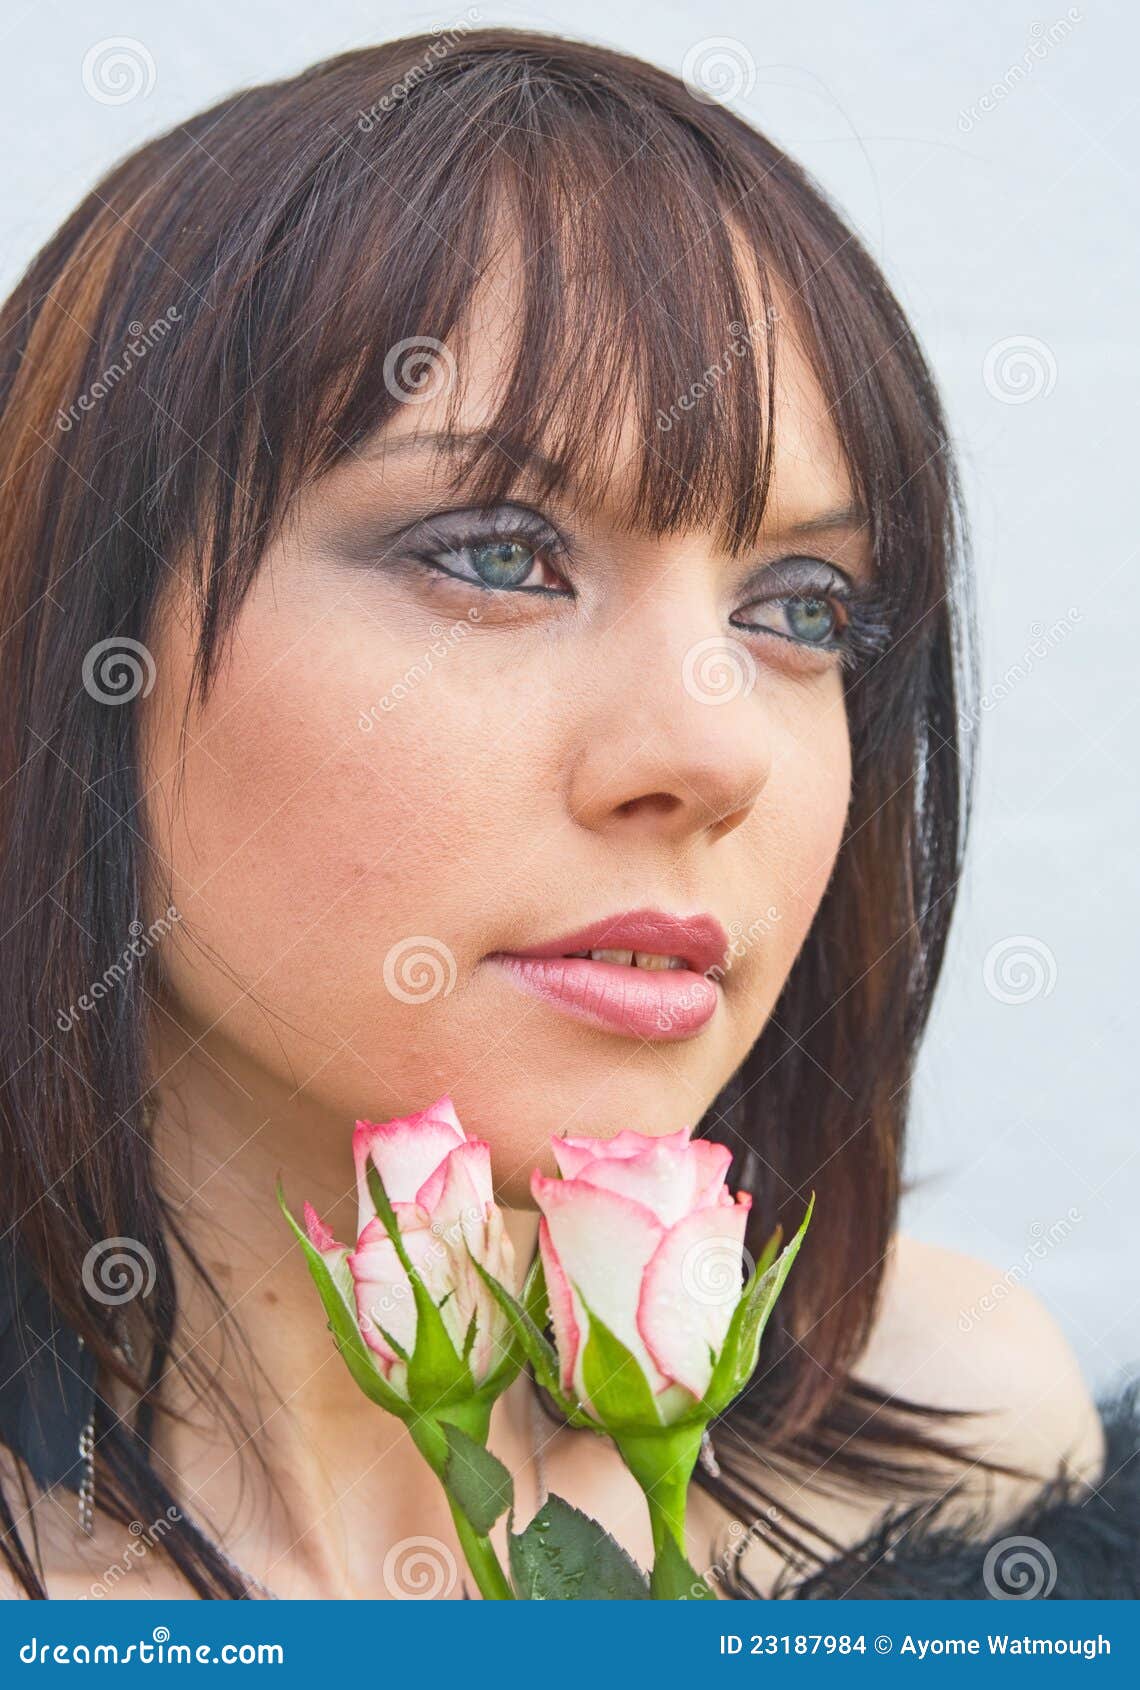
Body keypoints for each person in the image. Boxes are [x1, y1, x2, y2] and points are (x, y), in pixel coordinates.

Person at [0, 27, 1134, 1600]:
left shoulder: (968, 1447)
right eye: (493, 553)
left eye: (803, 607)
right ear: (79, 647)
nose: (713, 751)